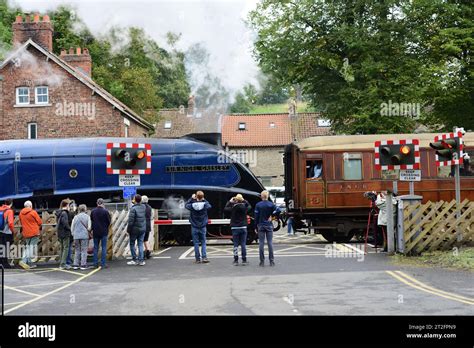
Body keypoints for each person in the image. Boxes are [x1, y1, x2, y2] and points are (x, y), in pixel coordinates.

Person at [255, 190, 280, 267]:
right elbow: (278, 210)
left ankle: (262, 262)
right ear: (268, 196)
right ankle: (271, 261)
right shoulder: (271, 204)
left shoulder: (258, 205)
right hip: (269, 225)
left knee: (261, 243)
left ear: (261, 196)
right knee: (270, 243)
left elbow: (256, 217)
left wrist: (255, 226)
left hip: (261, 225)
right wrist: (272, 216)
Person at [224, 194, 251, 266]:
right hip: (243, 227)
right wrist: (244, 200)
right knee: (243, 244)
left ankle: (236, 260)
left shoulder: (233, 207)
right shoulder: (244, 207)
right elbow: (249, 206)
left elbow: (226, 208)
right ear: (241, 199)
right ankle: (244, 260)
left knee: (235, 244)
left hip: (235, 227)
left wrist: (230, 202)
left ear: (235, 200)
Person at [185, 191, 212, 264]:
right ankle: (204, 257)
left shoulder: (192, 205)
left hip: (194, 226)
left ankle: (197, 259)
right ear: (202, 197)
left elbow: (186, 205)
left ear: (196, 196)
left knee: (196, 243)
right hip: (203, 226)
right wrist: (203, 199)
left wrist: (191, 198)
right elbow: (210, 206)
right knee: (203, 242)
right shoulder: (205, 204)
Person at [18, 201, 42, 270]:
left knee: (28, 247)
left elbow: (21, 221)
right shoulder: (33, 212)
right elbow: (39, 222)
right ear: (31, 206)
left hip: (26, 233)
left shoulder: (20, 213)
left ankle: (29, 263)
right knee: (31, 248)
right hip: (34, 232)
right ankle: (23, 261)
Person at [90, 198, 111, 269]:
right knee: (104, 247)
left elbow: (91, 220)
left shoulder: (93, 211)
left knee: (95, 248)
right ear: (103, 203)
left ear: (97, 203)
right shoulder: (106, 211)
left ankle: (95, 263)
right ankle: (103, 263)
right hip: (104, 231)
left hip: (95, 231)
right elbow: (109, 221)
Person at [127, 194, 147, 266]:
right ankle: (141, 260)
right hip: (142, 229)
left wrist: (128, 230)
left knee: (132, 244)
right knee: (140, 244)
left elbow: (130, 221)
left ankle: (134, 259)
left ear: (134, 200)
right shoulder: (143, 207)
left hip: (134, 230)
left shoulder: (133, 209)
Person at [71, 204, 91, 270]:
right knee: (84, 250)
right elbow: (89, 227)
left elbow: (72, 227)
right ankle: (83, 265)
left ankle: (75, 265)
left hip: (76, 236)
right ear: (85, 209)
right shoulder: (87, 217)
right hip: (84, 236)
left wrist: (73, 234)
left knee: (77, 250)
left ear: (79, 209)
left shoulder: (75, 217)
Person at [56, 199, 72, 269]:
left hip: (60, 233)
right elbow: (65, 223)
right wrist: (70, 229)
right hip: (65, 233)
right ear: (67, 205)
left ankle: (61, 263)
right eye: (69, 205)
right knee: (66, 248)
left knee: (62, 248)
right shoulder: (64, 213)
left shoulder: (59, 212)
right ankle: (63, 264)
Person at [0, 198, 15, 269]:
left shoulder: (0, 209)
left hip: (0, 231)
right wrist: (12, 231)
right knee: (6, 248)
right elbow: (10, 223)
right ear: (11, 203)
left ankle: (0, 263)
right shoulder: (9, 211)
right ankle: (5, 264)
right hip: (7, 232)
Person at [142, 195, 153, 259]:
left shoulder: (141, 207)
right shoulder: (149, 207)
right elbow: (151, 216)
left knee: (141, 240)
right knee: (145, 240)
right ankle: (148, 251)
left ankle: (143, 253)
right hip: (148, 225)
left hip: (142, 225)